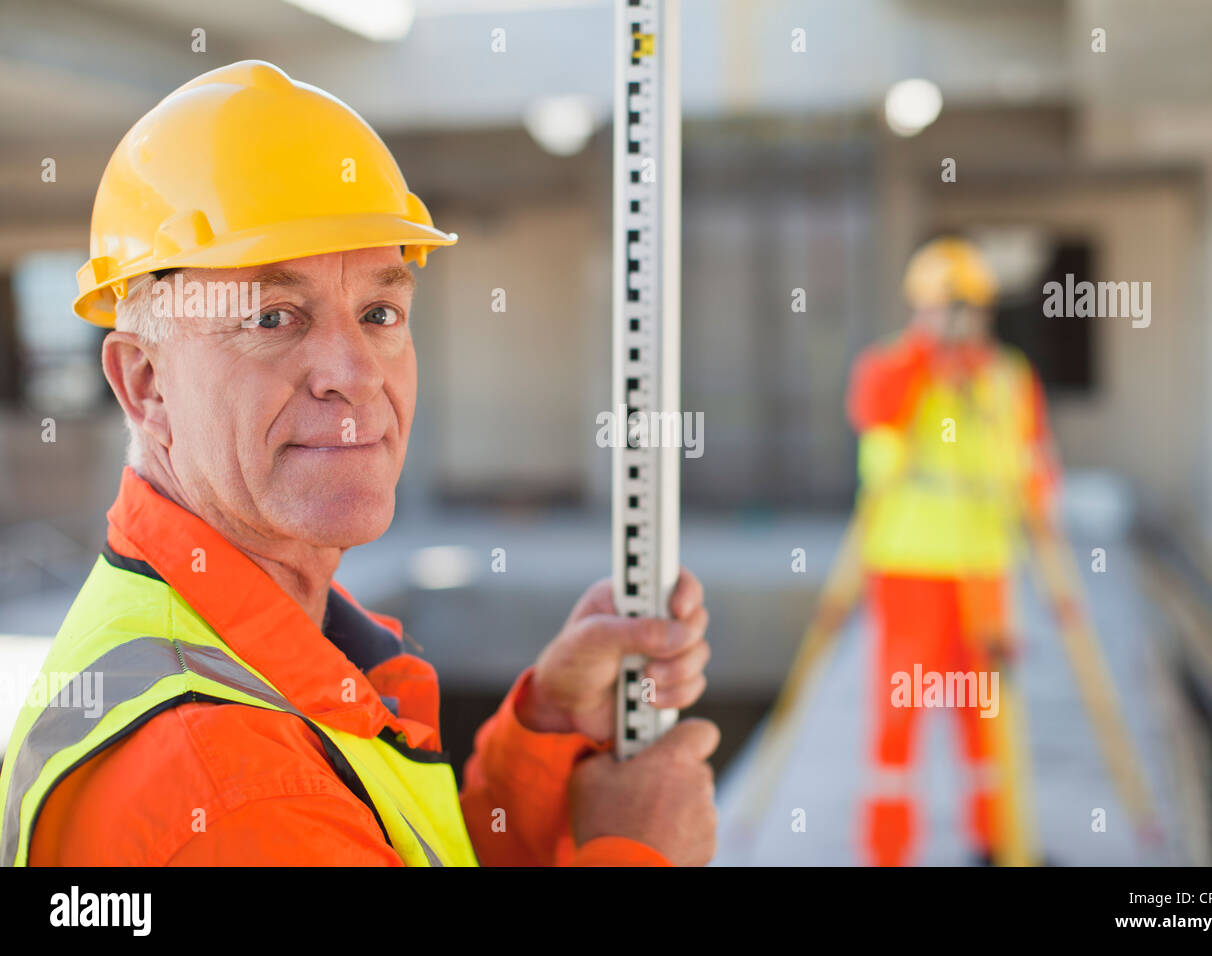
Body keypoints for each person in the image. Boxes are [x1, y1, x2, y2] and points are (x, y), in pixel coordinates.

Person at [0, 61, 716, 867]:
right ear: (146, 382)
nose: (356, 371)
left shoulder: (234, 646)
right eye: (273, 316)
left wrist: (547, 731)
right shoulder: (228, 786)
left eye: (380, 312)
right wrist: (639, 851)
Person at [844, 236, 1060, 866]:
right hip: (912, 571)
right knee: (899, 719)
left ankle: (996, 842)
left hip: (985, 570)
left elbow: (1035, 457)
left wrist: (1044, 518)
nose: (962, 324)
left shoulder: (1006, 376)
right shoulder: (893, 367)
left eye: (969, 311)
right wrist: (928, 355)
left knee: (985, 717)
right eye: (946, 309)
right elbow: (874, 410)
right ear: (921, 310)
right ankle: (887, 853)